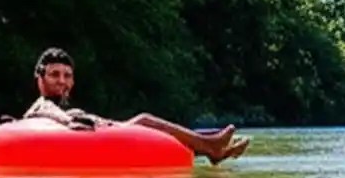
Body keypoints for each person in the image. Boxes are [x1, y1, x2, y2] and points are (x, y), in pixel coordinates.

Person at [20, 47, 250, 164]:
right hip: (98, 137)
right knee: (144, 120)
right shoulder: (43, 106)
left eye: (67, 75)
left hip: (104, 133)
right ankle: (211, 148)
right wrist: (71, 121)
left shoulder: (62, 107)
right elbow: (49, 113)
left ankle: (210, 146)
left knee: (157, 127)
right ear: (39, 78)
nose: (62, 81)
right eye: (54, 75)